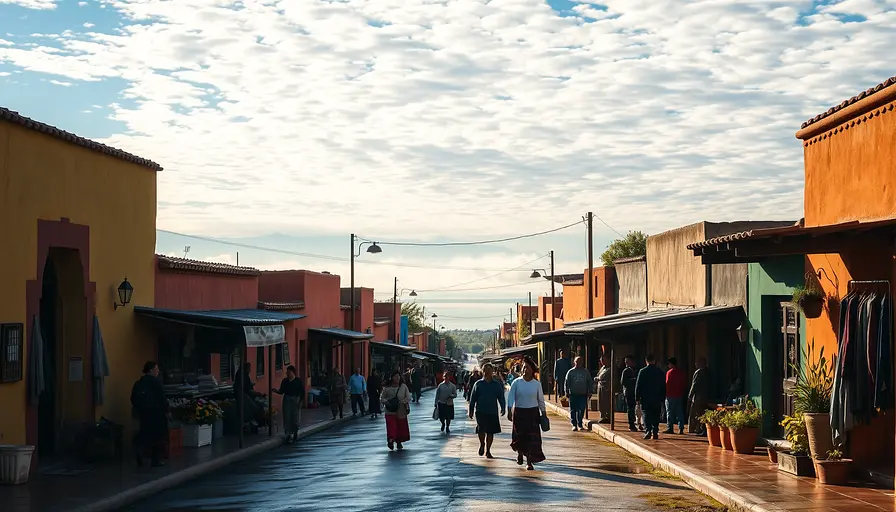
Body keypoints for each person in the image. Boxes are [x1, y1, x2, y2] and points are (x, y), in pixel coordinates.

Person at [507, 356, 546, 471]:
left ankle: (529, 461)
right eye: (524, 368)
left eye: (527, 368)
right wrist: (509, 410)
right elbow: (511, 397)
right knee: (520, 436)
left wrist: (543, 413)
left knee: (531, 439)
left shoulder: (536, 384)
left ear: (532, 370)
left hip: (532, 413)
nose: (525, 370)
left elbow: (541, 399)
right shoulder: (516, 382)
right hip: (519, 412)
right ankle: (520, 453)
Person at [131, 361, 169, 467]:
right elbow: (162, 398)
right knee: (158, 437)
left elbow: (133, 399)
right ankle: (155, 460)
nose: (158, 372)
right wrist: (167, 410)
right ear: (151, 370)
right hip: (156, 414)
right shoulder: (155, 383)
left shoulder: (138, 383)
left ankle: (139, 453)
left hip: (143, 415)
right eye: (156, 370)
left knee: (144, 436)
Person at [469, 363, 506, 458]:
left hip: (492, 411)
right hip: (481, 411)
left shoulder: (496, 385)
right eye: (485, 371)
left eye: (489, 371)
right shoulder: (478, 384)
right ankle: (482, 444)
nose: (487, 372)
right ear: (482, 372)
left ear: (492, 372)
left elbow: (501, 397)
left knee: (490, 432)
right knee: (481, 430)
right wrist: (471, 410)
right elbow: (472, 398)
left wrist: (503, 407)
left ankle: (488, 450)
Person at [635, 354, 666, 440]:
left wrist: (637, 398)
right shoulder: (660, 372)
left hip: (646, 397)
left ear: (646, 361)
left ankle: (648, 430)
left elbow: (638, 386)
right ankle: (655, 431)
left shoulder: (642, 371)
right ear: (654, 360)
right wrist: (662, 398)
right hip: (657, 397)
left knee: (646, 414)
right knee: (656, 414)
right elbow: (663, 386)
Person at [272, 365, 305, 443]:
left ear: (293, 372)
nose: (287, 373)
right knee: (287, 417)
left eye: (289, 372)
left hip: (295, 399)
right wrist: (275, 391)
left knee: (296, 417)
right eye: (287, 372)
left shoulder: (298, 381)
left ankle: (296, 432)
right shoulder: (285, 381)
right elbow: (281, 391)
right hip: (287, 399)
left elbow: (302, 392)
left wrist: (300, 402)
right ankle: (288, 434)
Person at [381, 370, 411, 450]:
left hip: (401, 410)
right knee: (391, 426)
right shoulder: (387, 388)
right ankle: (391, 440)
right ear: (391, 378)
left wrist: (403, 401)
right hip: (390, 410)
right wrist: (386, 402)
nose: (397, 377)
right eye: (395, 376)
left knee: (400, 426)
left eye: (398, 376)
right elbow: (382, 398)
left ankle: (398, 442)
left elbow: (408, 397)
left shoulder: (403, 387)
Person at [564, 356, 592, 431]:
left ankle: (580, 424)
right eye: (577, 362)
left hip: (583, 394)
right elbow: (566, 382)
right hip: (573, 394)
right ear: (574, 362)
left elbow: (589, 382)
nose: (578, 363)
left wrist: (590, 391)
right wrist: (566, 391)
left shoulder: (585, 372)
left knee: (581, 409)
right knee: (573, 410)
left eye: (580, 362)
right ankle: (574, 424)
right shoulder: (570, 372)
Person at [664, 357, 686, 435]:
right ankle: (681, 428)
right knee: (679, 412)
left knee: (670, 412)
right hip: (679, 395)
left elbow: (667, 384)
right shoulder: (681, 372)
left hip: (670, 395)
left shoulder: (669, 372)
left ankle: (670, 427)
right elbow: (683, 384)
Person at [688, 357, 710, 436]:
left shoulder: (699, 372)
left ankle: (700, 428)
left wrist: (690, 394)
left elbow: (695, 384)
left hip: (699, 397)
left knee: (698, 413)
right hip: (706, 396)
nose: (695, 364)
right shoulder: (708, 372)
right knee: (702, 412)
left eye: (697, 362)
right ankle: (700, 428)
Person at [620, 355, 639, 432]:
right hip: (629, 392)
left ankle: (638, 423)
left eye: (628, 361)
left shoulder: (636, 370)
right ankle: (631, 424)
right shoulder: (626, 371)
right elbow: (623, 382)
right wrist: (633, 380)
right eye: (625, 362)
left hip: (636, 392)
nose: (626, 363)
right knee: (630, 409)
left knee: (637, 409)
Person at [596, 354, 612, 423]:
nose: (602, 362)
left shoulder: (611, 369)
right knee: (601, 402)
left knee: (607, 402)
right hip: (600, 386)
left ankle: (608, 416)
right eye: (601, 360)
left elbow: (613, 379)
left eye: (604, 360)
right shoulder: (602, 368)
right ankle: (602, 415)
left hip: (606, 388)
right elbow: (598, 375)